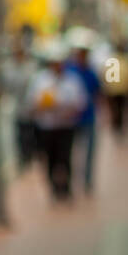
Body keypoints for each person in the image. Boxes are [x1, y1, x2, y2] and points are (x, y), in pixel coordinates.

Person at [27, 42, 85, 201]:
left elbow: (81, 102)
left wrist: (68, 110)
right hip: (47, 127)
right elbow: (32, 103)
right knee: (50, 158)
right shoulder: (40, 80)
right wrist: (42, 107)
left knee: (65, 157)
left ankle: (66, 188)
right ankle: (53, 188)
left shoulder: (73, 80)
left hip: (66, 127)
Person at [66, 45, 101, 193]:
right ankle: (71, 180)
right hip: (72, 119)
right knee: (71, 151)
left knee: (89, 151)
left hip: (88, 118)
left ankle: (87, 180)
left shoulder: (91, 72)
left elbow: (98, 93)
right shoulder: (70, 72)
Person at [0, 37, 39, 169]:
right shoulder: (9, 68)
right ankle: (23, 157)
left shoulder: (31, 66)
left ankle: (30, 155)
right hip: (18, 107)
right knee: (20, 133)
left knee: (31, 133)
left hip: (32, 107)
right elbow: (6, 85)